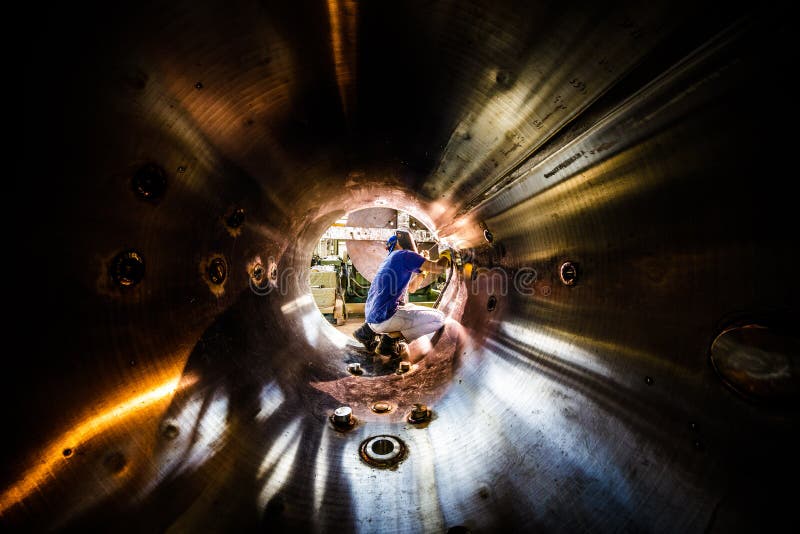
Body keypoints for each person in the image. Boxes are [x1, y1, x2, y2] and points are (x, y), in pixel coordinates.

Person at [352, 228, 450, 359]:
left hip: (372, 319)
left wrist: (423, 268)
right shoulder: (404, 255)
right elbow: (439, 268)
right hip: (385, 318)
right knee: (439, 318)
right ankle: (390, 340)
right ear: (401, 242)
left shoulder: (391, 259)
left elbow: (412, 288)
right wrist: (446, 253)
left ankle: (373, 337)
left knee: (409, 306)